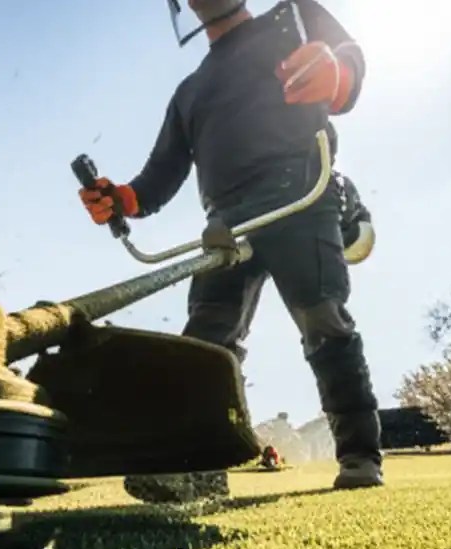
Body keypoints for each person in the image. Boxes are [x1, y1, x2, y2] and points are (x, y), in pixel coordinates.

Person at [80, 0, 383, 500]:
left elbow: (351, 63)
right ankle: (197, 466)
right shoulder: (189, 93)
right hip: (225, 223)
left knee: (323, 320)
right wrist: (118, 200)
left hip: (301, 194)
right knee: (206, 345)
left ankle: (360, 454)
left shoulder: (295, 16)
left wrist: (338, 74)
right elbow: (156, 182)